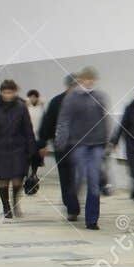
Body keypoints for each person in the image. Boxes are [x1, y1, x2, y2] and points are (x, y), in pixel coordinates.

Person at [52, 67, 111, 230]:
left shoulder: (99, 97)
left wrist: (107, 141)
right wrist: (61, 141)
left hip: (96, 144)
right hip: (78, 144)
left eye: (92, 79)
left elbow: (105, 119)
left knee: (93, 179)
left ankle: (92, 219)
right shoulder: (72, 98)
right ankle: (72, 202)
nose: (89, 82)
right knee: (78, 177)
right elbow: (64, 121)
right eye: (86, 79)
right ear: (81, 80)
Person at [0, 79, 35, 219]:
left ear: (14, 92)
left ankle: (15, 201)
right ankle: (6, 206)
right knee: (3, 179)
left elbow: (28, 129)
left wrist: (32, 148)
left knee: (18, 178)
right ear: (1, 93)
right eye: (5, 92)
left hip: (18, 148)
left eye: (10, 92)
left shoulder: (21, 108)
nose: (7, 95)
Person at [38, 74, 79, 222]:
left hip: (80, 146)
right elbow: (47, 124)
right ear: (69, 87)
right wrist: (42, 143)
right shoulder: (56, 102)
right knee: (66, 177)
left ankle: (73, 204)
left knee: (77, 177)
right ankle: (71, 207)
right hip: (62, 146)